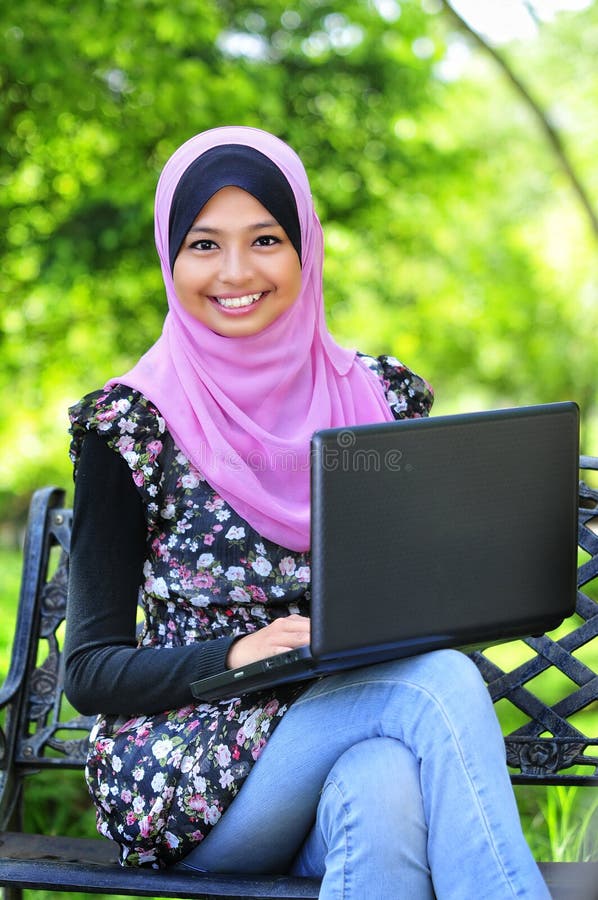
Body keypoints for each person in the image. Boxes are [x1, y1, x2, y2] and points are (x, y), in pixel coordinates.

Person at [64, 126, 550, 898]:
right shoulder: (131, 426)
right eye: (202, 245)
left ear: (304, 250)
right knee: (439, 687)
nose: (235, 272)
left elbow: (417, 585)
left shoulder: (379, 403)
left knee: (385, 789)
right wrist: (235, 655)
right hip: (191, 768)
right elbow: (89, 673)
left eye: (264, 239)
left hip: (349, 727)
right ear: (170, 256)